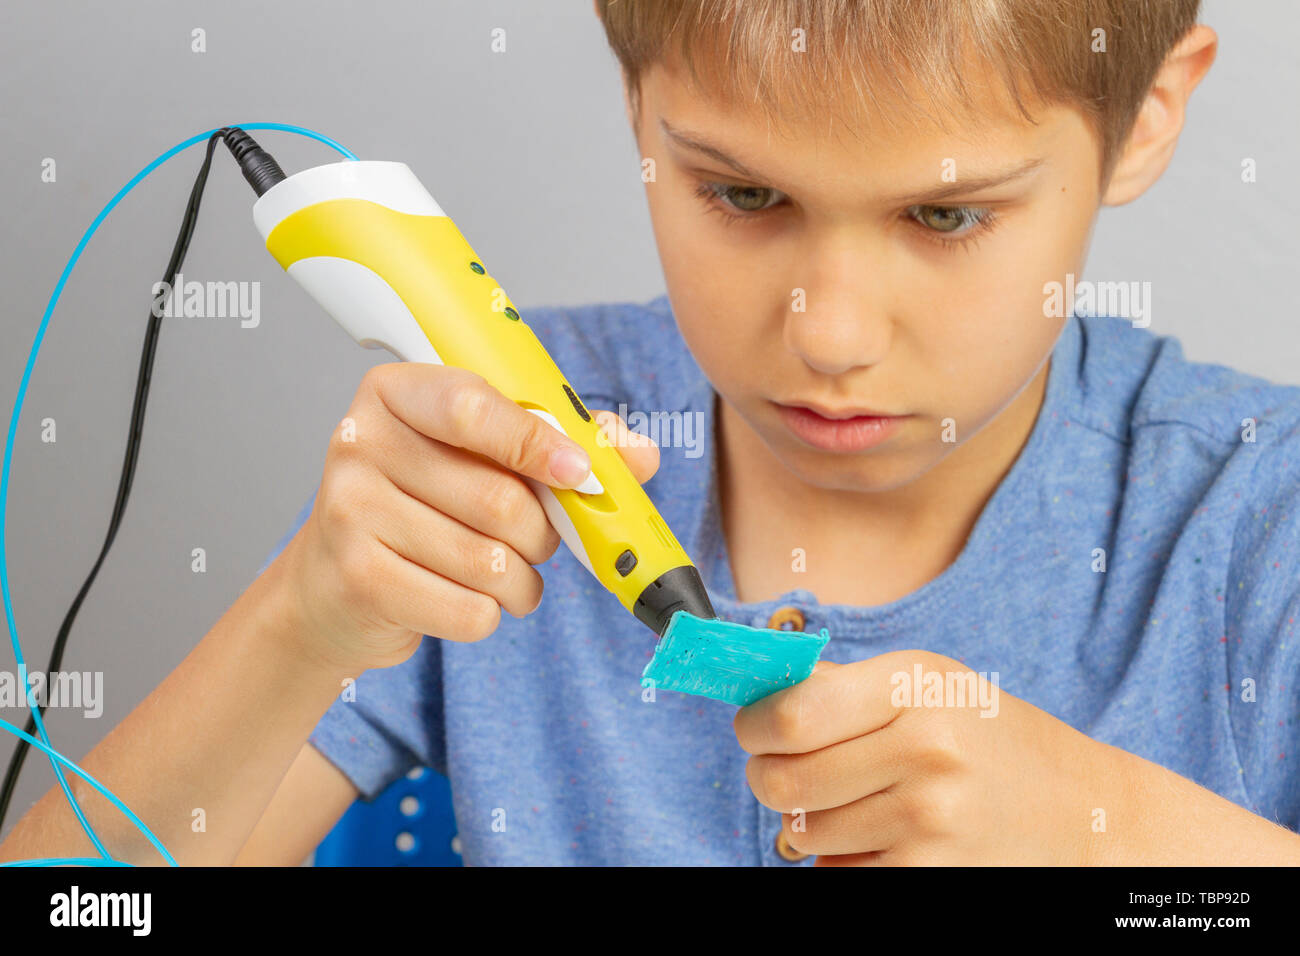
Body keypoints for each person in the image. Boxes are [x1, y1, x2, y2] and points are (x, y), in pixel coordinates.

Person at [4, 0, 1299, 866]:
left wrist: (1113, 831)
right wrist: (303, 626)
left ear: (1149, 116)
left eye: (946, 220)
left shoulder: (1259, 523)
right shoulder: (503, 452)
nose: (831, 334)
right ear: (637, 107)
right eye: (743, 193)